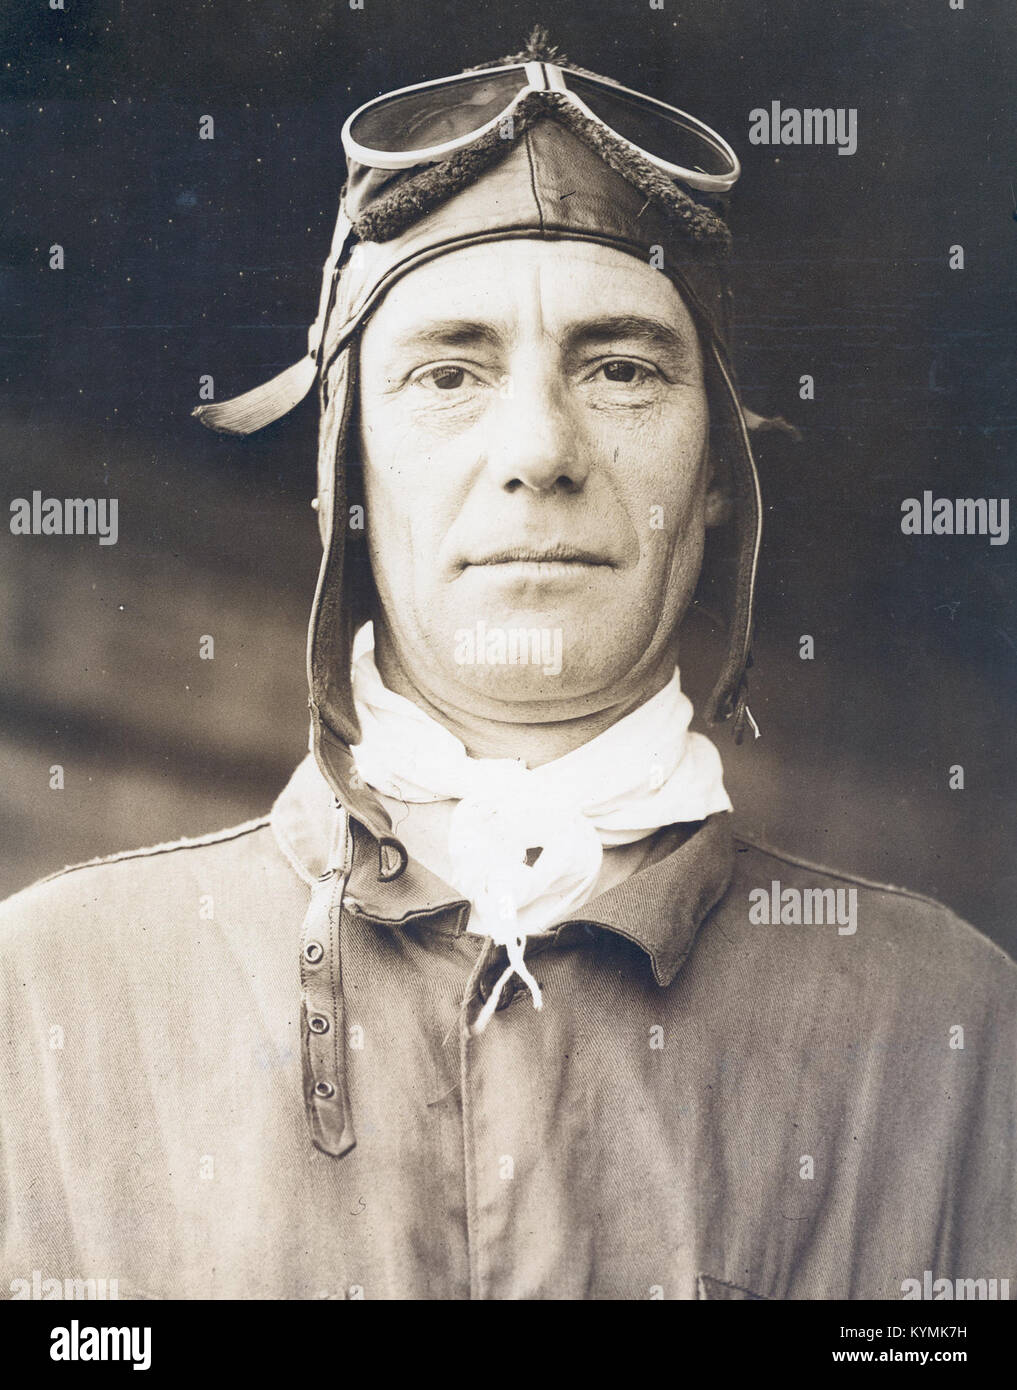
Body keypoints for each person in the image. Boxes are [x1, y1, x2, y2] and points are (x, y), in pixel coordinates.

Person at [2, 33, 1014, 1302]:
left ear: (714, 478)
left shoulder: (950, 1040)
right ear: (348, 468)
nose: (539, 447)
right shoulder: (49, 997)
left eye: (624, 368)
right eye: (449, 370)